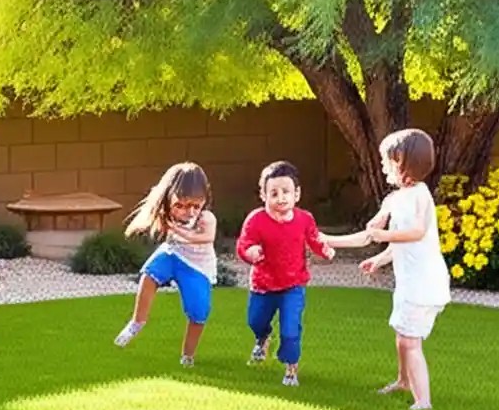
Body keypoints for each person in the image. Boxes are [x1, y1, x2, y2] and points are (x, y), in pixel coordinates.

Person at [360, 128, 451, 410]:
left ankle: (423, 402)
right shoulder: (396, 199)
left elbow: (417, 232)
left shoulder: (420, 195)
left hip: (424, 283)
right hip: (409, 283)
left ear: (403, 163)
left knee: (411, 342)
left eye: (388, 161)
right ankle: (403, 381)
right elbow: (393, 239)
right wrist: (380, 259)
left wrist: (383, 235)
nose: (384, 167)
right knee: (402, 337)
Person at [235, 160, 341, 386]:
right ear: (263, 195)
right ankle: (263, 337)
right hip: (262, 285)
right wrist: (250, 252)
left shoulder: (304, 219)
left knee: (291, 329)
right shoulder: (256, 220)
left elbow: (314, 239)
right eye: (274, 193)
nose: (281, 198)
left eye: (286, 192)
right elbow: (244, 244)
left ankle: (291, 369)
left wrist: (324, 250)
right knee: (255, 321)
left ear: (297, 194)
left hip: (293, 285)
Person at [113, 161, 217, 367]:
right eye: (181, 206)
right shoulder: (166, 211)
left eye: (196, 205)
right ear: (169, 199)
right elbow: (154, 214)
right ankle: (137, 322)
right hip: (172, 254)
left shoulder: (206, 218)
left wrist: (176, 229)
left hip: (197, 266)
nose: (189, 212)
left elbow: (206, 238)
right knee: (150, 273)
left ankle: (187, 356)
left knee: (199, 311)